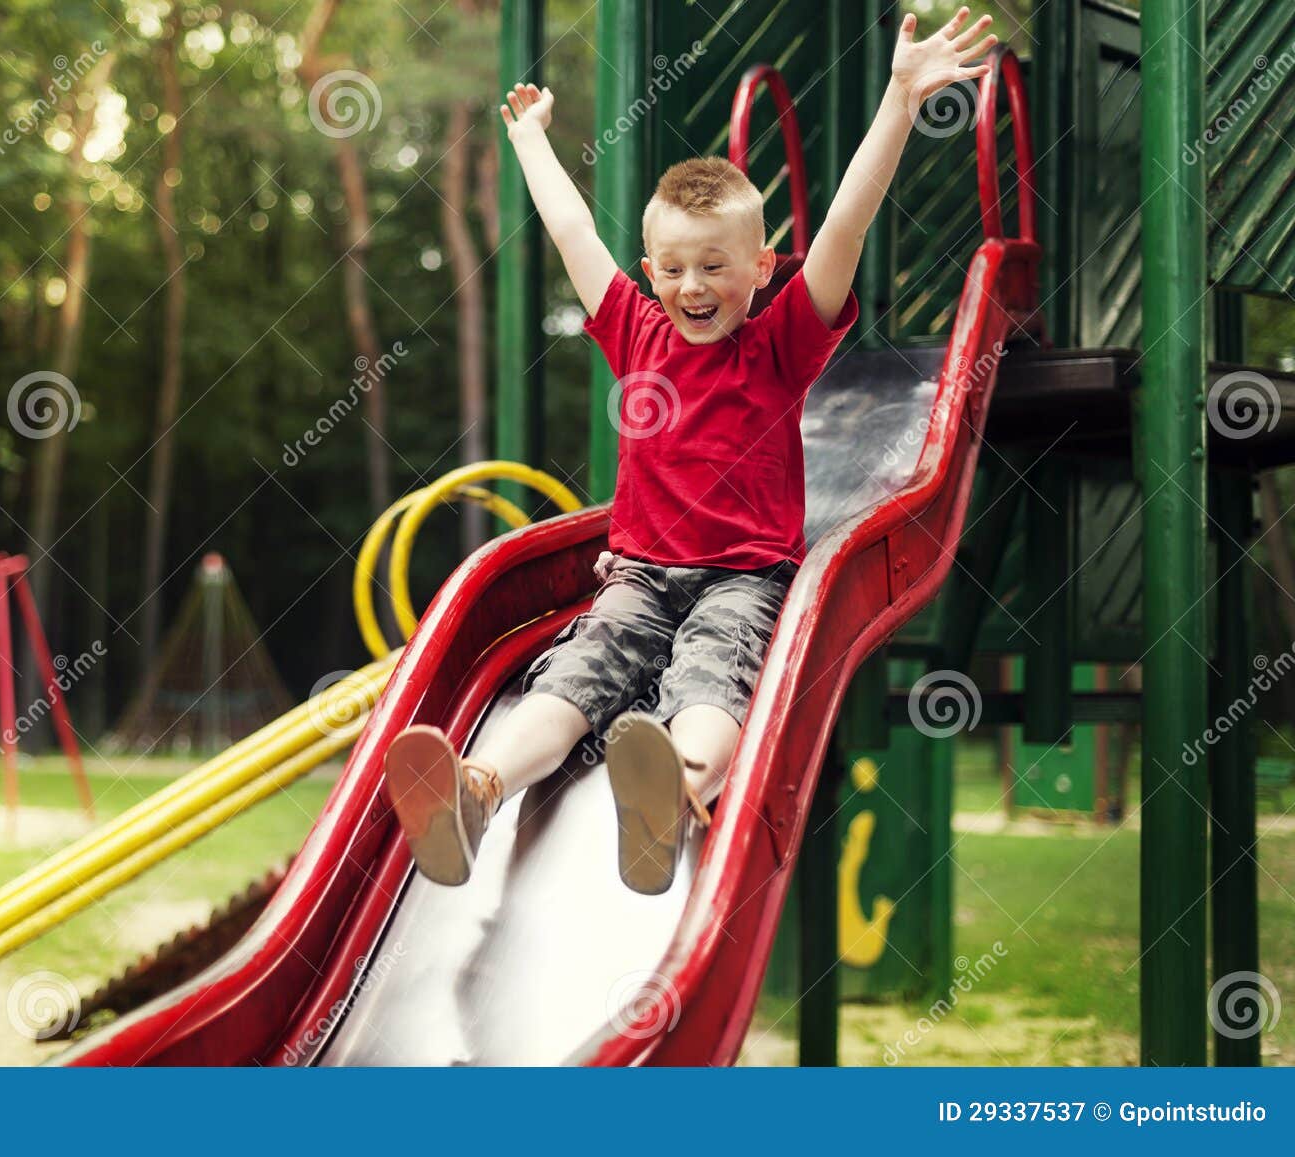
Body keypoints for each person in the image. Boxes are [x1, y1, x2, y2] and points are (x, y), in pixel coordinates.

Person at [382, 10, 998, 895]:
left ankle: (680, 789)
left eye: (715, 266)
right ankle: (478, 790)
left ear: (760, 269)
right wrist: (528, 142)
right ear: (649, 267)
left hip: (743, 580)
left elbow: (846, 230)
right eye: (672, 267)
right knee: (575, 674)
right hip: (636, 576)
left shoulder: (781, 341)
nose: (691, 285)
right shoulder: (634, 327)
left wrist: (900, 100)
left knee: (713, 680)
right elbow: (571, 233)